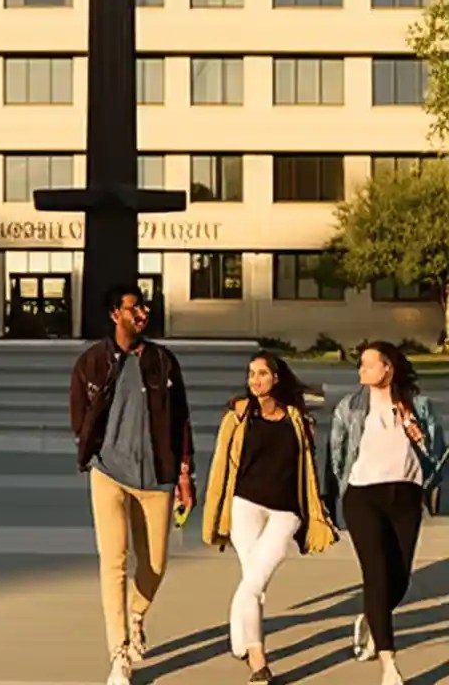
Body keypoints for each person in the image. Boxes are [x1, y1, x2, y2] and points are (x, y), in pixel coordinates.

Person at [68, 283, 196, 685]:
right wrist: (91, 451)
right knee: (114, 562)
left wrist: (184, 473)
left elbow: (181, 421)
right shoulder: (92, 362)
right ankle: (119, 654)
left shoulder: (163, 362)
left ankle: (137, 613)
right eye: (133, 307)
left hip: (155, 475)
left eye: (143, 306)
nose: (142, 312)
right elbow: (80, 416)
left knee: (155, 564)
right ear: (114, 315)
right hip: (109, 473)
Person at [202, 351, 338, 684]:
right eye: (250, 374)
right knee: (253, 581)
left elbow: (307, 471)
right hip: (245, 505)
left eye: (261, 374)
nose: (254, 380)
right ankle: (258, 660)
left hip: (285, 511)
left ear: (276, 378)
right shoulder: (238, 416)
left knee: (255, 580)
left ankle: (240, 638)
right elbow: (222, 466)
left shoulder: (296, 419)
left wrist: (315, 511)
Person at [325, 341, 447, 685]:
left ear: (388, 368)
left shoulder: (416, 406)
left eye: (368, 364)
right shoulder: (350, 408)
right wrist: (335, 495)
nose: (361, 370)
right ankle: (389, 666)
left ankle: (371, 617)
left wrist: (428, 480)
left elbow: (435, 448)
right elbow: (336, 457)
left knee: (400, 578)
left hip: (406, 496)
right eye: (360, 364)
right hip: (364, 497)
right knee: (376, 575)